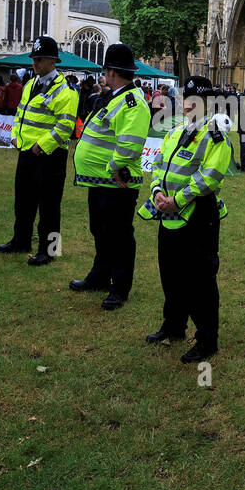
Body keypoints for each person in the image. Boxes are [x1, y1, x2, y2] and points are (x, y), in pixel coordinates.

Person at [140, 76, 234, 362]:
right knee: (170, 273)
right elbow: (158, 163)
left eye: (197, 100)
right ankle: (174, 326)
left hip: (198, 214)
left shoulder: (215, 135)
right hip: (168, 212)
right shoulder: (175, 130)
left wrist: (176, 201)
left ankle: (207, 340)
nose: (190, 104)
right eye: (187, 98)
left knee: (201, 280)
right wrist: (157, 190)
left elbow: (210, 176)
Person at [70, 43, 151, 310]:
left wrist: (114, 167)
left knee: (119, 236)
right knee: (101, 231)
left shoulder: (132, 102)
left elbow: (130, 144)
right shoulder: (114, 96)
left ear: (112, 71)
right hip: (101, 180)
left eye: (105, 70)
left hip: (117, 182)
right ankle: (100, 276)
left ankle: (120, 287)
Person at [0, 35, 79, 265]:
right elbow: (20, 113)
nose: (35, 63)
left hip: (51, 155)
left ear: (53, 61)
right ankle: (20, 240)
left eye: (40, 59)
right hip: (27, 152)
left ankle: (51, 250)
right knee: (23, 201)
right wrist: (14, 136)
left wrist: (40, 146)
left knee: (50, 206)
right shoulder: (31, 84)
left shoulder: (67, 90)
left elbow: (65, 126)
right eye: (34, 58)